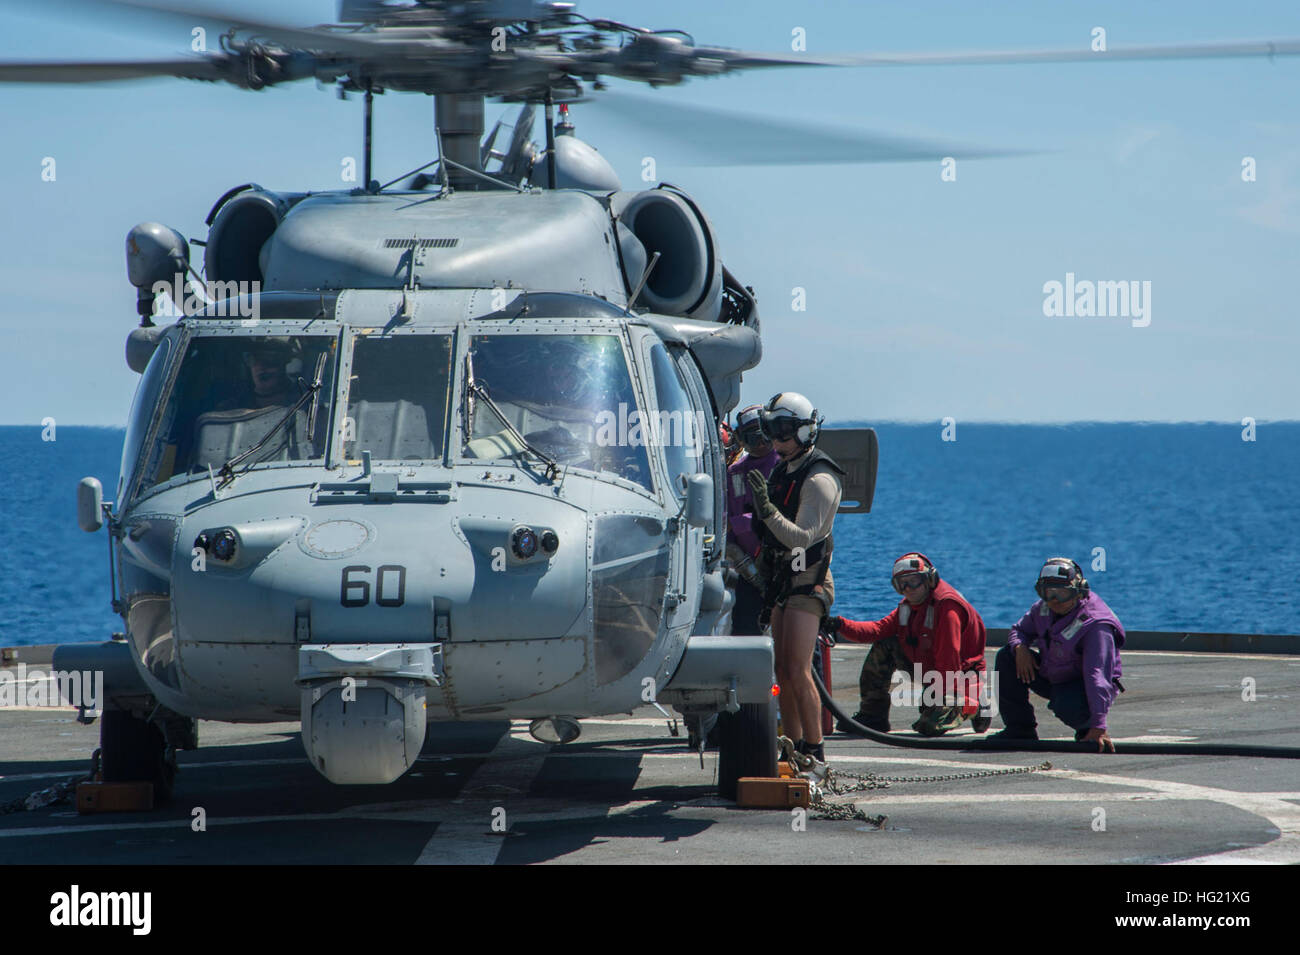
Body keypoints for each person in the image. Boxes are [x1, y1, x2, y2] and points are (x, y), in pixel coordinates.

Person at [747, 392, 843, 764]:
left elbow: (803, 537)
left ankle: (815, 749)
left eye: (784, 431)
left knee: (800, 668)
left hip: (808, 580)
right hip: (782, 581)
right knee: (782, 670)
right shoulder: (783, 470)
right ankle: (791, 745)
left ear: (804, 431)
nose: (777, 440)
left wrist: (768, 512)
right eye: (772, 431)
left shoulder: (819, 478)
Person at [823, 553, 990, 736]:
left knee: (930, 727)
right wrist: (840, 624)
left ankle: (975, 706)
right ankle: (873, 715)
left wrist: (936, 699)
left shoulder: (947, 607)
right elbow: (877, 630)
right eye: (902, 584)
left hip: (958, 678)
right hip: (931, 669)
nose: (908, 589)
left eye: (914, 581)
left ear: (929, 579)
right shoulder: (908, 607)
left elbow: (948, 660)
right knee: (886, 643)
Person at [990, 557, 1125, 752]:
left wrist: (1099, 725)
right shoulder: (1043, 608)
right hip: (1052, 672)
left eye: (1062, 593)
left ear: (1079, 590)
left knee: (1066, 704)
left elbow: (1098, 676)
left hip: (1081, 685)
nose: (1054, 600)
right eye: (1048, 592)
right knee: (1007, 657)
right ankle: (1019, 729)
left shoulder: (1096, 625)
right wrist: (1020, 648)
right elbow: (1019, 630)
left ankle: (1087, 728)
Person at [725, 405, 780, 635]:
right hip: (748, 571)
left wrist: (738, 524)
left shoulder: (783, 466)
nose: (760, 443)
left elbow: (780, 516)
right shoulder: (735, 472)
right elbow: (725, 520)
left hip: (782, 567)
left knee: (794, 633)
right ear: (742, 439)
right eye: (752, 438)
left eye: (764, 436)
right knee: (744, 629)